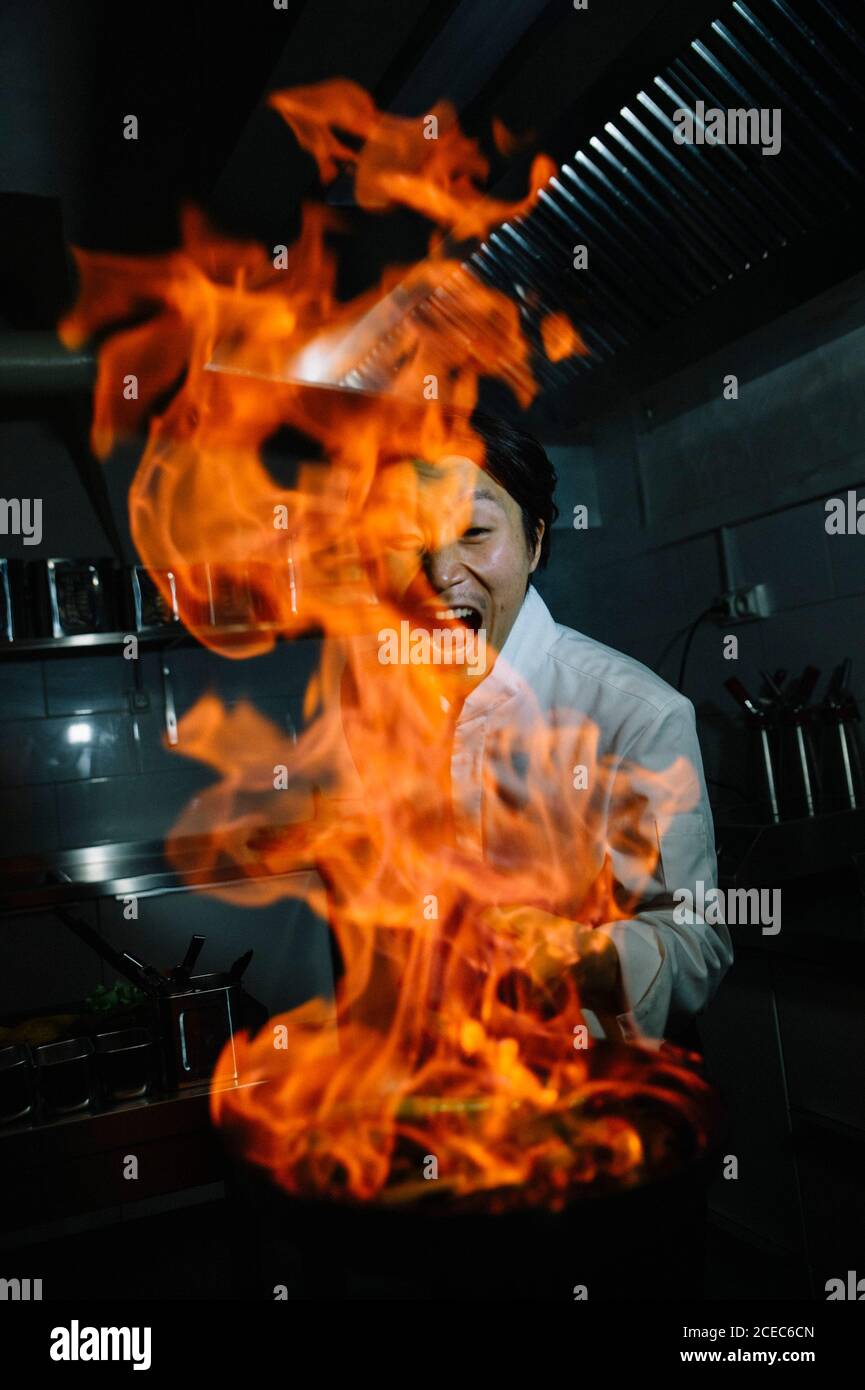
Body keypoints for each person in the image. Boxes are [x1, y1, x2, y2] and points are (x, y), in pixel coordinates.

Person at [338, 409, 733, 1045]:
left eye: (474, 532)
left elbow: (697, 945)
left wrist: (577, 956)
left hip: (591, 1097)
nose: (440, 576)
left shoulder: (635, 715)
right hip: (436, 1086)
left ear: (536, 541)